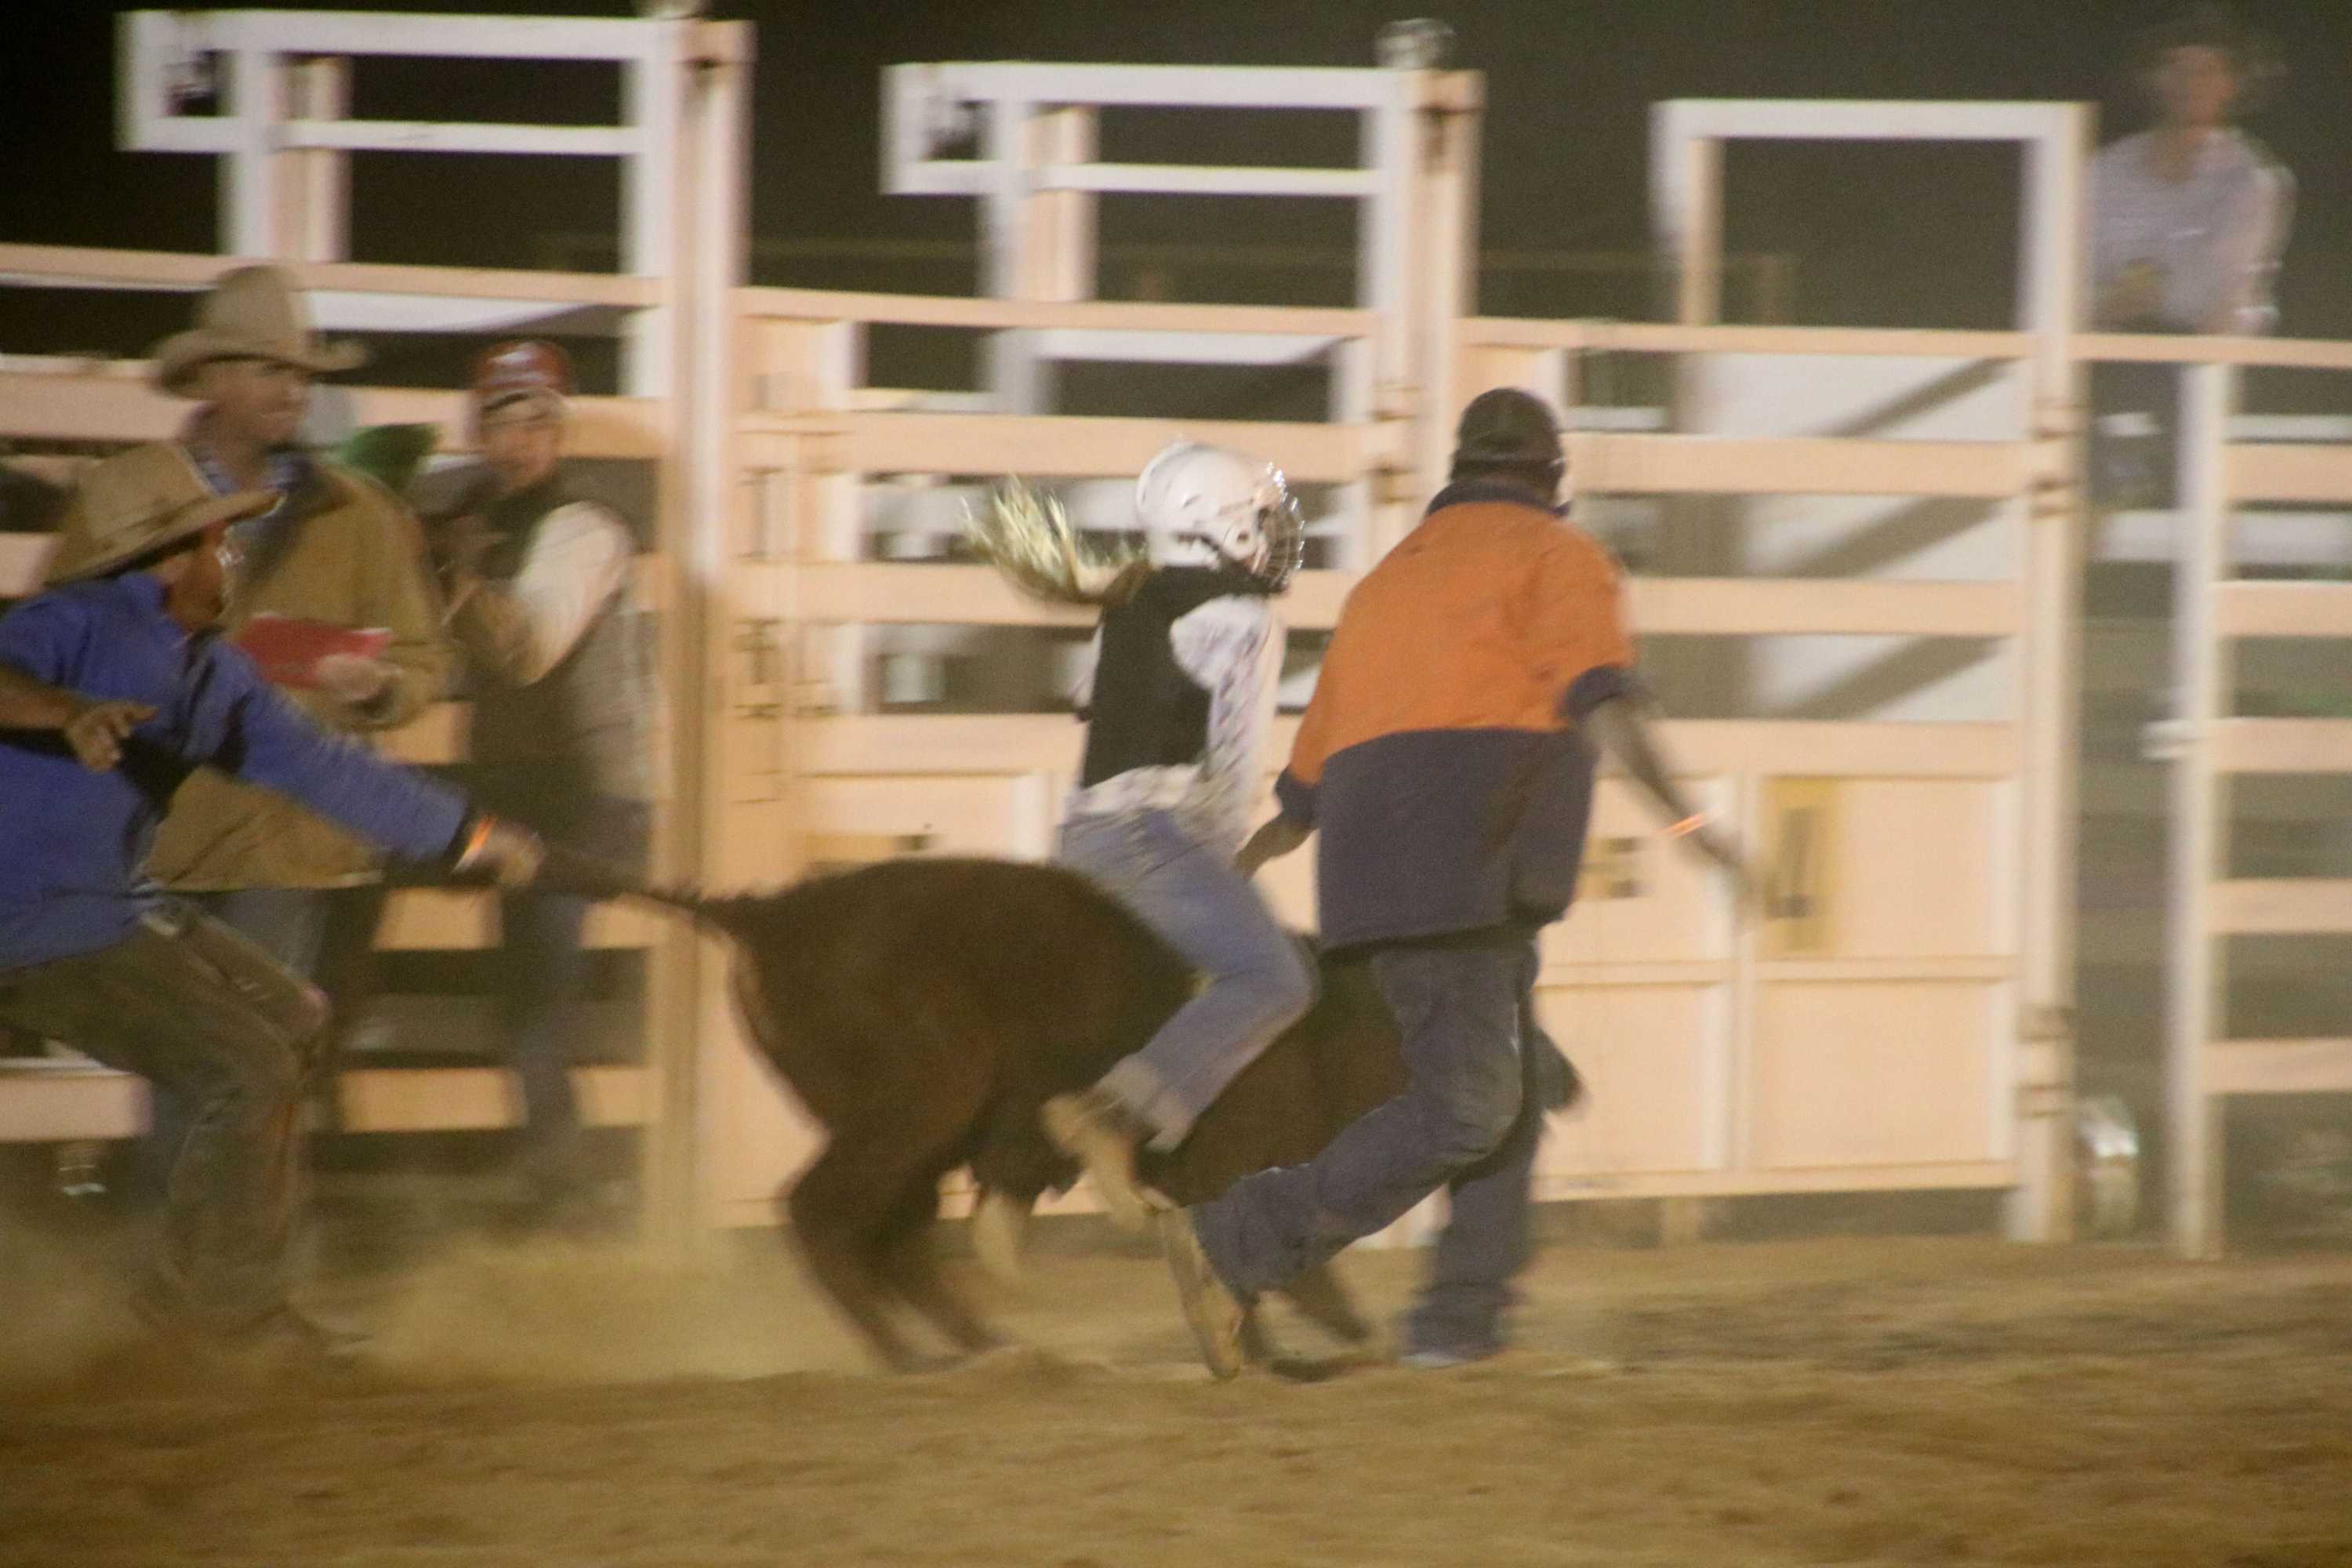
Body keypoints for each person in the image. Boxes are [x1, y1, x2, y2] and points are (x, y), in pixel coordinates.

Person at [1155, 390, 1750, 1377]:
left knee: (1505, 1100)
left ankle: (1461, 1318)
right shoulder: (1561, 558)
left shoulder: (1386, 582)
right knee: (1470, 1106)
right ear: (1554, 478)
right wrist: (1692, 825)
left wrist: (1259, 852)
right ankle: (1237, 1241)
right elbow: (1602, 705)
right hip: (1468, 869)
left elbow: (1309, 774)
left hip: (1384, 880)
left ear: (1458, 469)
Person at [0, 445, 541, 1364]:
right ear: (169, 556)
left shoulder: (211, 674)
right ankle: (225, 1316)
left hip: (101, 908)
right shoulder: (69, 622)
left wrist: (470, 837)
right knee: (247, 1068)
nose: (232, 559)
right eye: (218, 542)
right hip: (34, 925)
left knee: (292, 1013)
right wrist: (67, 713)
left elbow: (325, 769)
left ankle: (192, 1292)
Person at [965, 444, 1316, 1228]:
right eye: (1257, 518)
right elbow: (1232, 765)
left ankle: (1018, 1184)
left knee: (1143, 1008)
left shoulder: (1131, 598)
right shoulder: (1246, 617)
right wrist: (1225, 865)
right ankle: (1116, 1124)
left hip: (1085, 836)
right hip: (1153, 839)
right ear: (1218, 527)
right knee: (1274, 980)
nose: (1271, 531)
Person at [417, 340, 655, 1213]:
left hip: (585, 795)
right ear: (480, 433)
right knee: (526, 996)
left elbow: (528, 647)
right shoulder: (485, 522)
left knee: (536, 1000)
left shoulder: (581, 527)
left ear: (558, 432)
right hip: (525, 787)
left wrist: (447, 568)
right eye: (504, 422)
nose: (521, 440)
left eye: (536, 421)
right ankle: (557, 1186)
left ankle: (563, 1194)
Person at [2088, 4, 2292, 505]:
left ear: (2232, 83)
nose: (2190, 82)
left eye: (2208, 68)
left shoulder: (2252, 180)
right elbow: (2073, 271)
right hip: (2107, 356)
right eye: (2176, 66)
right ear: (2153, 78)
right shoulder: (2103, 171)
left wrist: (2151, 293)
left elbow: (2225, 289)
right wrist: (2105, 305)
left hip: (2205, 365)